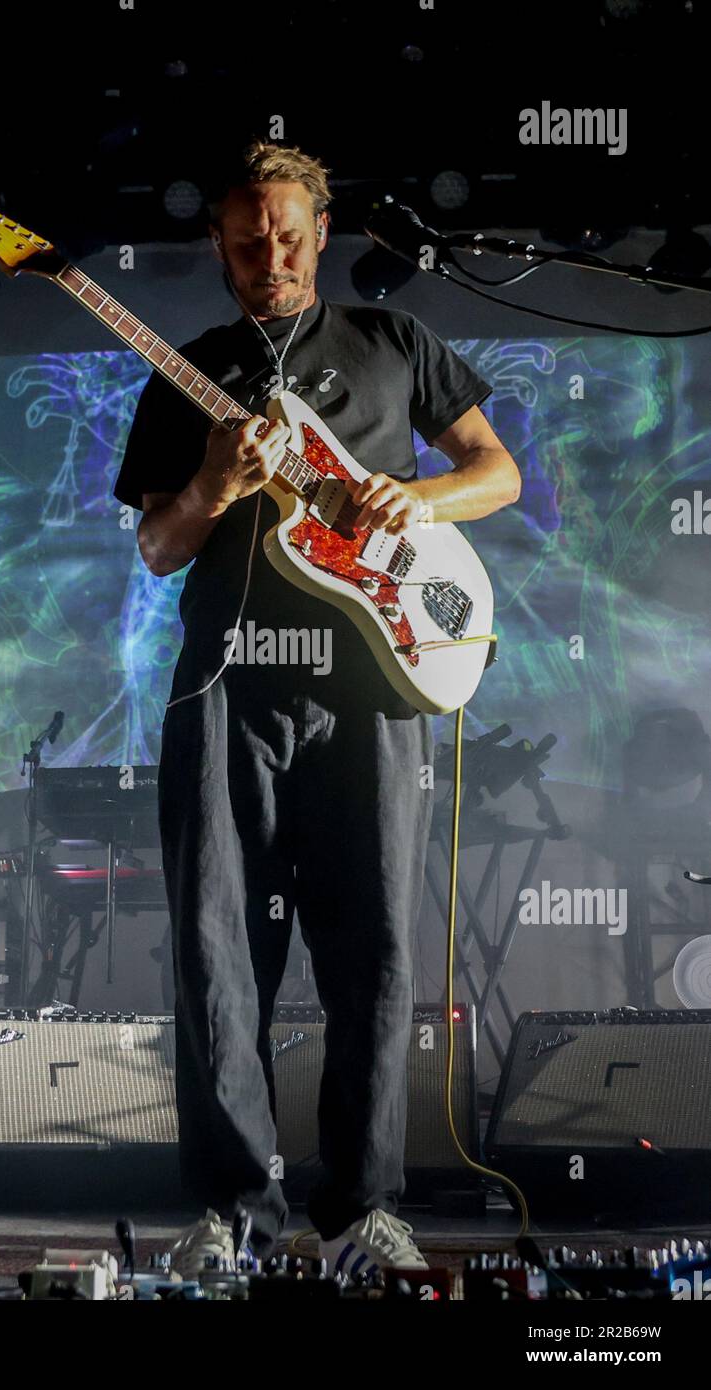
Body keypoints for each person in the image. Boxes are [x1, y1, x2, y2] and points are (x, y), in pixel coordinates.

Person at [113, 140, 521, 1279]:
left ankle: (362, 1210)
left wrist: (416, 497)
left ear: (320, 231)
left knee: (375, 953)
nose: (272, 257)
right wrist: (214, 483)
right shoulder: (187, 371)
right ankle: (232, 1210)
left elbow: (497, 474)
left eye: (288, 236)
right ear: (218, 243)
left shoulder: (393, 342)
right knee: (216, 952)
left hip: (370, 689)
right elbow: (158, 547)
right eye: (248, 241)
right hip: (227, 686)